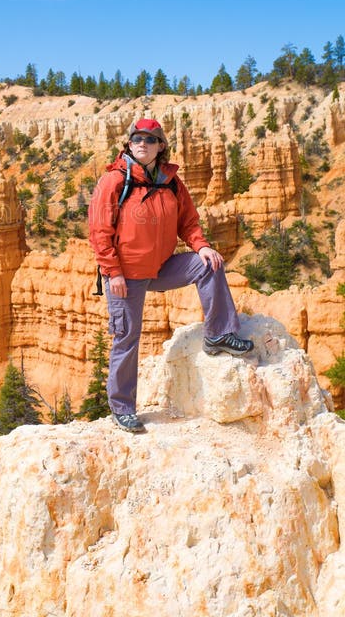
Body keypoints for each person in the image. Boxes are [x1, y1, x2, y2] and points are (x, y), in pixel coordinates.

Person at [88, 117, 253, 434]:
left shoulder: (171, 182)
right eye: (137, 138)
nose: (142, 144)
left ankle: (217, 334)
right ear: (129, 143)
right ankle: (122, 409)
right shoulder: (114, 181)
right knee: (127, 337)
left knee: (210, 264)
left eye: (149, 140)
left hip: (160, 267)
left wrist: (202, 246)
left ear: (160, 146)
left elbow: (188, 222)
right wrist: (113, 273)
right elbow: (99, 232)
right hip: (125, 274)